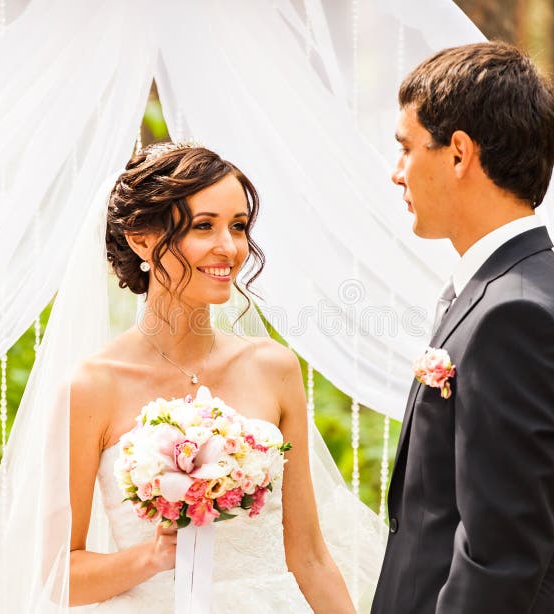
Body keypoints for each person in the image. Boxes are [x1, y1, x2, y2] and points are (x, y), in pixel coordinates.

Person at [66, 143, 358, 612]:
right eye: (205, 226)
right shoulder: (93, 386)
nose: (231, 248)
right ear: (142, 238)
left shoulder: (274, 368)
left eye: (239, 227)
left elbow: (309, 556)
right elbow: (61, 576)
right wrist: (152, 557)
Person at [371, 42, 554, 614]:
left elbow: (499, 561)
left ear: (458, 154)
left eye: (405, 149)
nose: (396, 173)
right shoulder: (519, 286)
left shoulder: (516, 315)